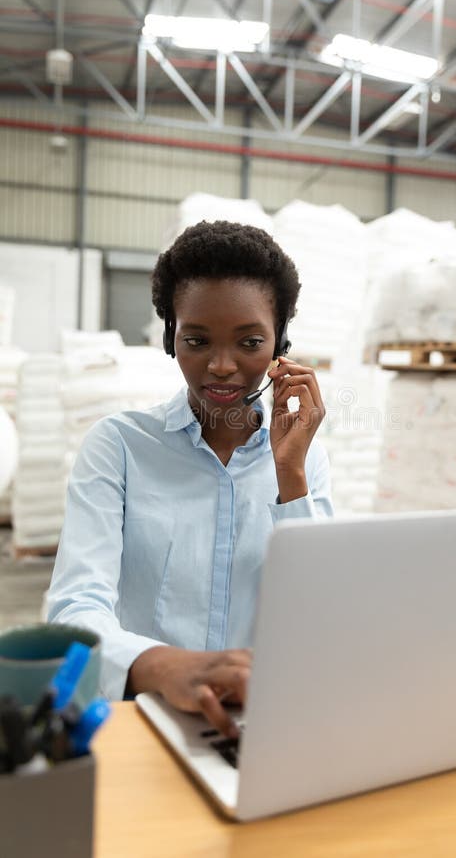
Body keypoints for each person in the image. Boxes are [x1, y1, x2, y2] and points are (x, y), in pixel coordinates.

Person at [47, 221, 332, 737]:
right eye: (197, 340)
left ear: (280, 344)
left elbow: (324, 615)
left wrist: (289, 476)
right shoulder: (120, 447)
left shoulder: (303, 459)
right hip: (142, 716)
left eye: (249, 342)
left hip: (259, 724)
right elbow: (74, 607)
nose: (221, 366)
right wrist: (163, 666)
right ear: (169, 338)